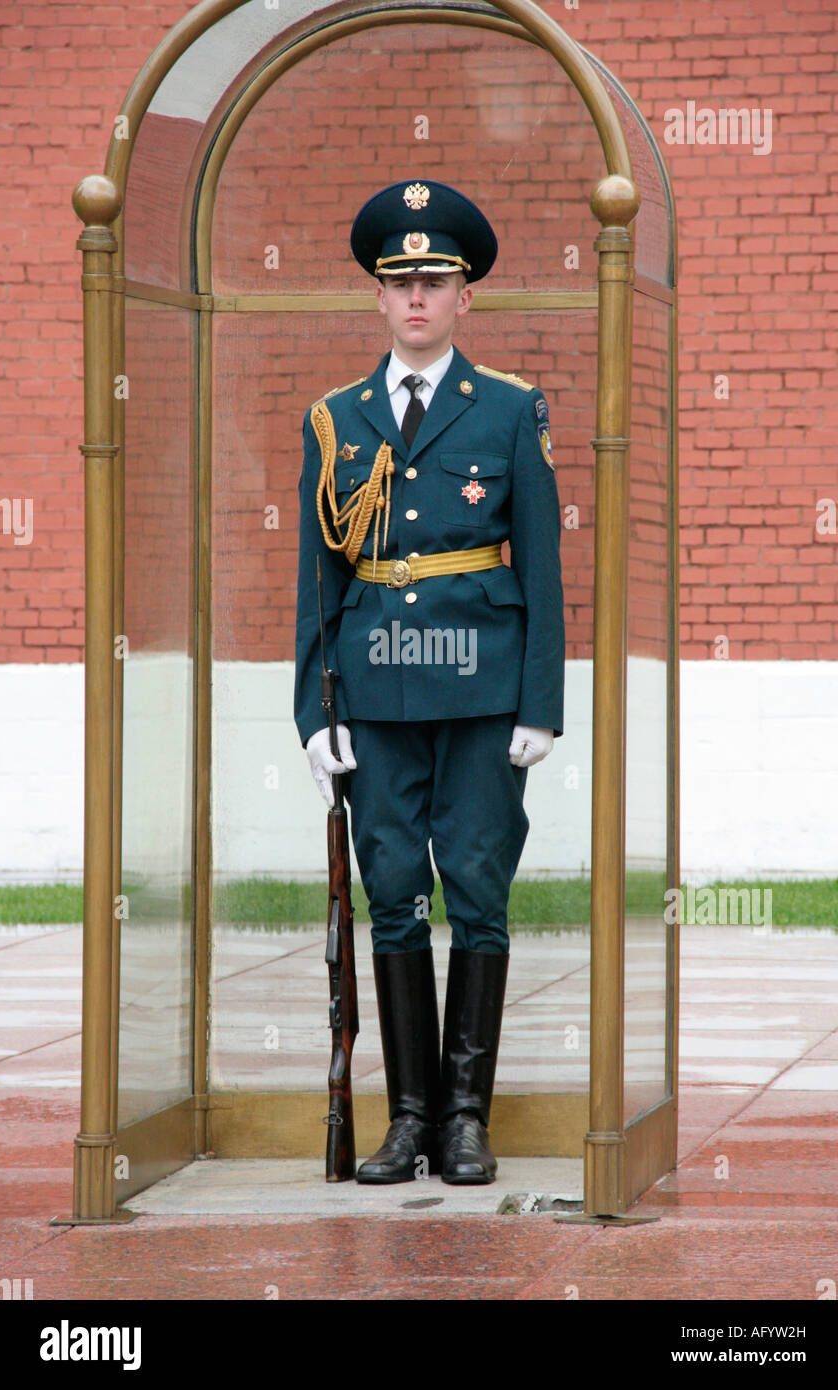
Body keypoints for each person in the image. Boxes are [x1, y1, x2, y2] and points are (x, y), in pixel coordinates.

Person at [294, 179, 564, 1184]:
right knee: (395, 893)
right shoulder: (336, 420)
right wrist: (312, 714)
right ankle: (405, 1121)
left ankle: (463, 1121)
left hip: (485, 690)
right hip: (376, 694)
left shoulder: (505, 410)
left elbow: (539, 568)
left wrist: (540, 703)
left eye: (433, 281)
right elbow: (317, 583)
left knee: (478, 894)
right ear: (376, 298)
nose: (415, 298)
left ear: (463, 297)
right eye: (397, 281)